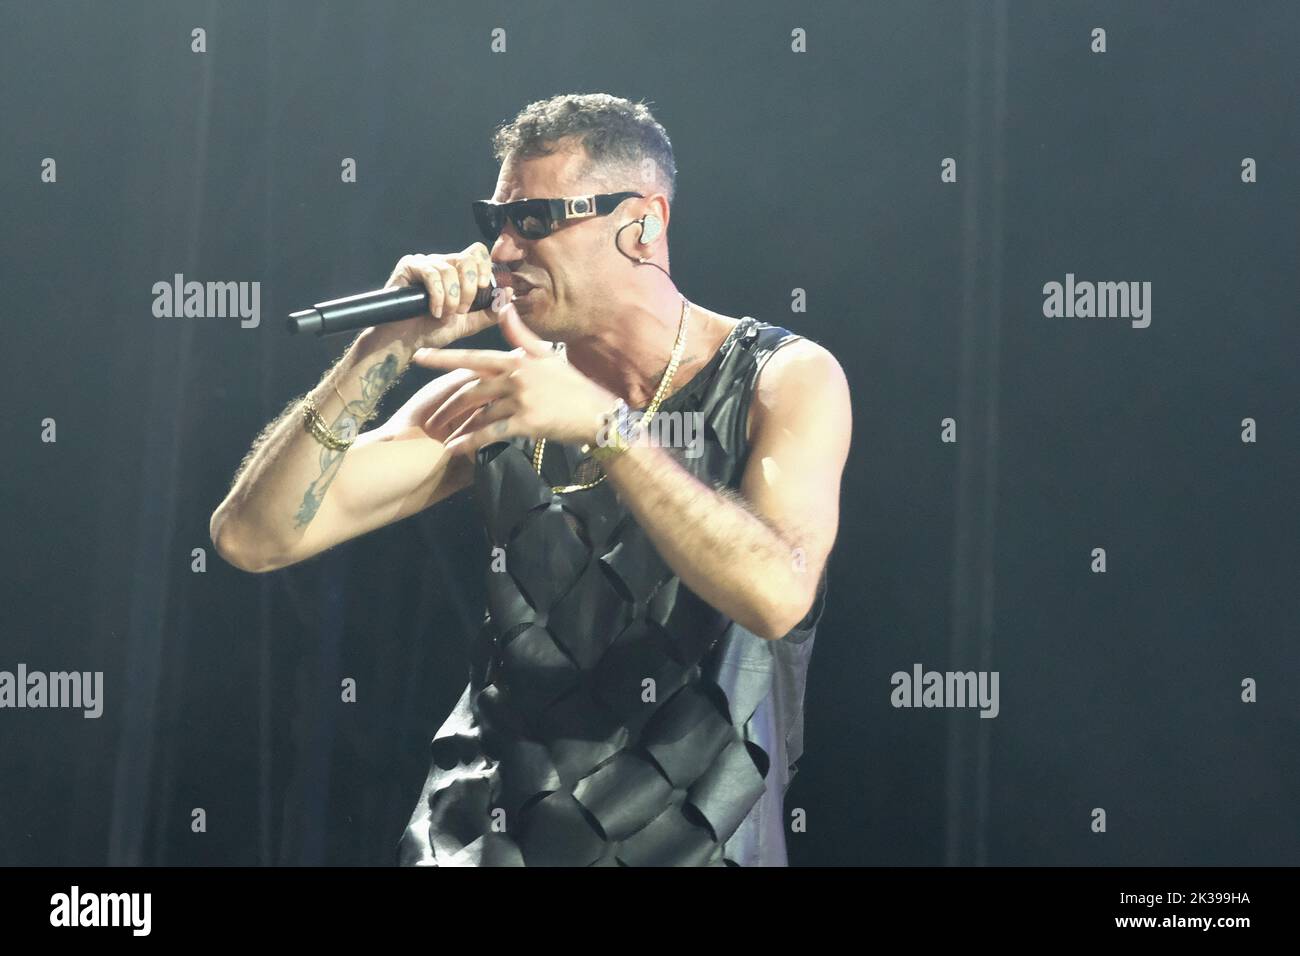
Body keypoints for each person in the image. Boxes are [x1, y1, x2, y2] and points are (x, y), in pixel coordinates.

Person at [210, 92, 851, 866]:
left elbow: (777, 596)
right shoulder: (495, 390)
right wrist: (381, 349)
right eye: (496, 223)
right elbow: (253, 538)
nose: (505, 252)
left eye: (538, 220)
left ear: (643, 223)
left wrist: (607, 428)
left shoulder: (782, 378)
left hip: (700, 842)